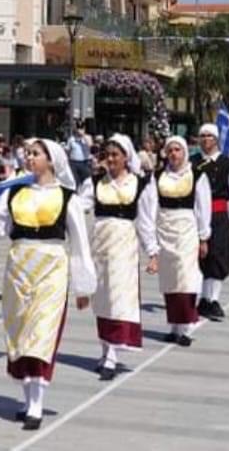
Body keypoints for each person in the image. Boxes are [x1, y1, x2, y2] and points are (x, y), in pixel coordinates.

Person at [0, 139, 95, 430]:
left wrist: (83, 286)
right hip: (18, 268)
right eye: (28, 153)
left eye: (36, 153)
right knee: (21, 332)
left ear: (52, 160)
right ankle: (27, 400)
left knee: (42, 333)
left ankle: (37, 404)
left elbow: (79, 244)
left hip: (51, 268)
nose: (30, 157)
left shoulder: (68, 198)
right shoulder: (14, 192)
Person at [76, 134, 158, 380]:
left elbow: (145, 222)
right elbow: (78, 207)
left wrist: (152, 252)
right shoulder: (95, 182)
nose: (110, 159)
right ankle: (104, 349)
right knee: (101, 298)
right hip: (100, 246)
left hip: (124, 247)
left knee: (118, 298)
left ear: (126, 157)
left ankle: (112, 355)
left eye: (115, 155)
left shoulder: (140, 184)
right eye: (108, 154)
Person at [156, 136, 211, 346]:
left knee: (186, 277)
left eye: (177, 150)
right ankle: (174, 326)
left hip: (187, 228)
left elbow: (202, 207)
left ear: (185, 152)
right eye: (170, 150)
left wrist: (203, 237)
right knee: (170, 279)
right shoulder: (159, 175)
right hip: (165, 228)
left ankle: (186, 327)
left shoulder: (197, 176)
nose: (174, 154)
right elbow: (152, 204)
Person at [191, 123, 229, 321]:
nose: (205, 139)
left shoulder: (227, 164)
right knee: (198, 258)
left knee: (217, 256)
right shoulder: (192, 162)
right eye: (202, 136)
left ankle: (211, 299)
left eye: (209, 136)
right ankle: (200, 298)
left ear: (216, 139)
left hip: (218, 216)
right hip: (196, 215)